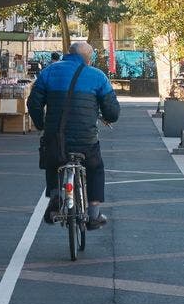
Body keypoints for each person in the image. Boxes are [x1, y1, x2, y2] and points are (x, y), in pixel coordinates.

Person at [28, 38, 119, 230]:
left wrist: (41, 125)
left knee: (53, 161)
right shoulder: (98, 76)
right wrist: (107, 115)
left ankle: (55, 197)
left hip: (56, 136)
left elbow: (34, 103)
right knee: (95, 168)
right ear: (87, 58)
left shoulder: (49, 72)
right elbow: (112, 112)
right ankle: (93, 214)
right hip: (86, 139)